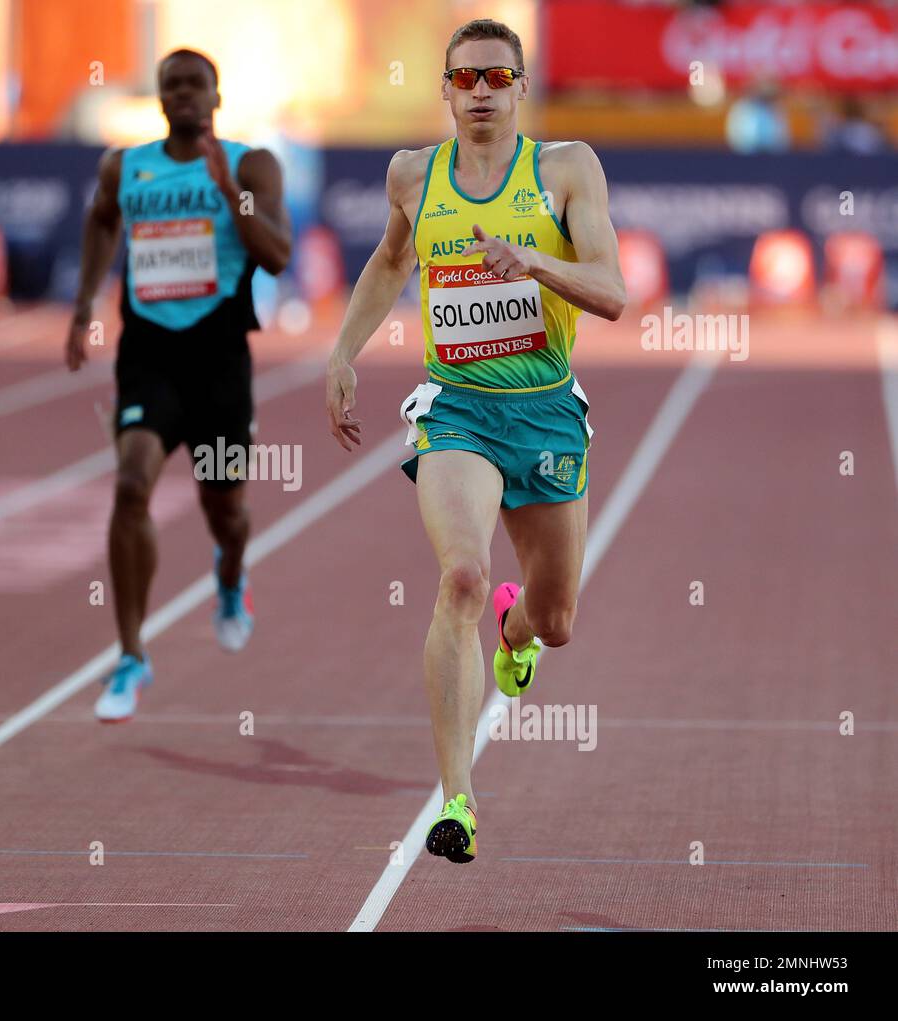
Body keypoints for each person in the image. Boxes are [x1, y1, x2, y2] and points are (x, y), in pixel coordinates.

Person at [324, 19, 625, 863]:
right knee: (460, 573)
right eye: (467, 78)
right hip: (456, 411)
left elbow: (613, 292)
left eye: (498, 77)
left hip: (547, 413)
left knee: (556, 618)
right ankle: (457, 799)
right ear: (445, 89)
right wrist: (343, 352)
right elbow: (390, 261)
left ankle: (516, 633)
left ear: (522, 86)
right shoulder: (412, 176)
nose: (482, 92)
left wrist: (534, 263)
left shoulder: (566, 169)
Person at [65, 49, 291, 722]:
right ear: (160, 99)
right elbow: (102, 217)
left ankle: (229, 574)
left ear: (217, 95)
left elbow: (277, 255)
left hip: (220, 358)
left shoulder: (251, 164)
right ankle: (131, 654)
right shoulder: (125, 166)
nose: (185, 94)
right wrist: (83, 304)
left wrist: (230, 192)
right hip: (149, 355)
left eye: (196, 84)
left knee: (224, 506)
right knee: (131, 482)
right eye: (172, 86)